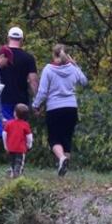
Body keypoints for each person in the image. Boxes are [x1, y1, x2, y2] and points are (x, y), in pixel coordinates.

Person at [32, 44, 88, 176]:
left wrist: (36, 105)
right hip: (71, 108)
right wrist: (75, 65)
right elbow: (84, 81)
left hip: (54, 108)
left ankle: (62, 158)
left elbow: (43, 91)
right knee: (67, 138)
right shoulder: (73, 69)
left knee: (54, 138)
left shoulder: (49, 69)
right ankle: (64, 170)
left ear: (54, 54)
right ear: (67, 55)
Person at [0, 27, 39, 128]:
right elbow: (33, 80)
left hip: (4, 98)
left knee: (5, 130)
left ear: (8, 38)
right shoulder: (28, 58)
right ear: (21, 40)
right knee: (20, 130)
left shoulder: (0, 56)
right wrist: (37, 101)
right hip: (21, 100)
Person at [3, 103, 34, 177]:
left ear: (15, 113)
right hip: (21, 148)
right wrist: (29, 145)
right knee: (19, 163)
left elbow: (4, 134)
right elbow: (29, 137)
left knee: (12, 162)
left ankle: (12, 173)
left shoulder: (8, 123)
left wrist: (5, 145)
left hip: (11, 147)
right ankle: (17, 176)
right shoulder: (25, 124)